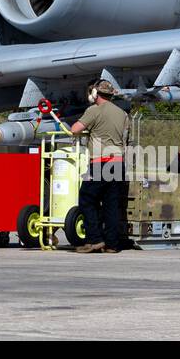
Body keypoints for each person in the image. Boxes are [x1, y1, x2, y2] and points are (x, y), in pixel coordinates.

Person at [69, 79, 131, 254]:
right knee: (111, 205)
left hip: (101, 162)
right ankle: (111, 244)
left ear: (95, 94)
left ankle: (94, 240)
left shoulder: (94, 110)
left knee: (86, 198)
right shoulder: (122, 113)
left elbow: (75, 129)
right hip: (118, 162)